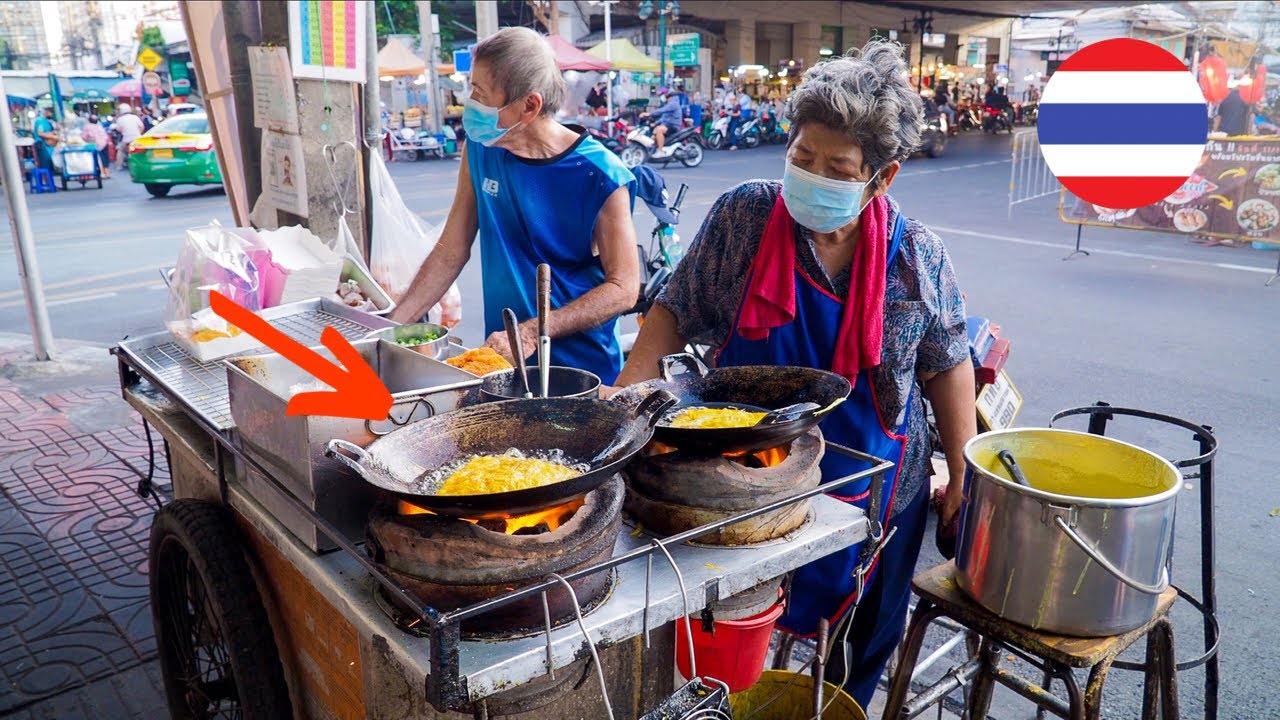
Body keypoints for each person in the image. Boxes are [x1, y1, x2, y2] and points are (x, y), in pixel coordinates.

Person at [614, 39, 975, 709]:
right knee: (727, 634)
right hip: (739, 481)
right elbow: (674, 310)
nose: (812, 175)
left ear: (881, 178)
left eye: (837, 167)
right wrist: (626, 397)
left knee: (856, 652)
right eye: (801, 158)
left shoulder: (917, 257)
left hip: (873, 487)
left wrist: (959, 472)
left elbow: (947, 364)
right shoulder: (744, 218)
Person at [387, 27, 639, 385]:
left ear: (529, 105)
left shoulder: (601, 175)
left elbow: (624, 289)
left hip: (582, 374)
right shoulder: (480, 149)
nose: (467, 102)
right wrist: (390, 328)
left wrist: (530, 331)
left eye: (479, 92)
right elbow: (452, 248)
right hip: (506, 367)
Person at [111, 104, 145, 171]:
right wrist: (138, 132)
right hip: (137, 137)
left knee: (120, 150)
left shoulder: (120, 119)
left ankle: (119, 166)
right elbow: (142, 127)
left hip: (127, 138)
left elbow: (119, 129)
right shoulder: (135, 117)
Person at [650, 89, 683, 153]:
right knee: (653, 136)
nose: (662, 97)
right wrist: (655, 123)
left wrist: (650, 113)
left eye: (663, 95)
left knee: (659, 129)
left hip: (673, 126)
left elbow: (662, 110)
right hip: (667, 125)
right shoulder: (669, 104)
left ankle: (660, 151)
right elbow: (664, 118)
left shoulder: (673, 104)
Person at [81, 114, 111, 179]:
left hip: (96, 144)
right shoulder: (99, 126)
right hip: (105, 142)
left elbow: (83, 137)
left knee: (98, 158)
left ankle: (102, 173)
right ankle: (107, 173)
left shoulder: (87, 127)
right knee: (105, 158)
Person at [32, 107, 58, 171]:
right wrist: (52, 137)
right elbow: (40, 133)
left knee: (49, 165)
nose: (51, 115)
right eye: (51, 113)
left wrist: (53, 133)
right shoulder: (40, 120)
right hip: (41, 145)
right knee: (45, 165)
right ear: (47, 112)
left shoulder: (46, 121)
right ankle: (47, 180)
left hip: (48, 146)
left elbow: (47, 131)